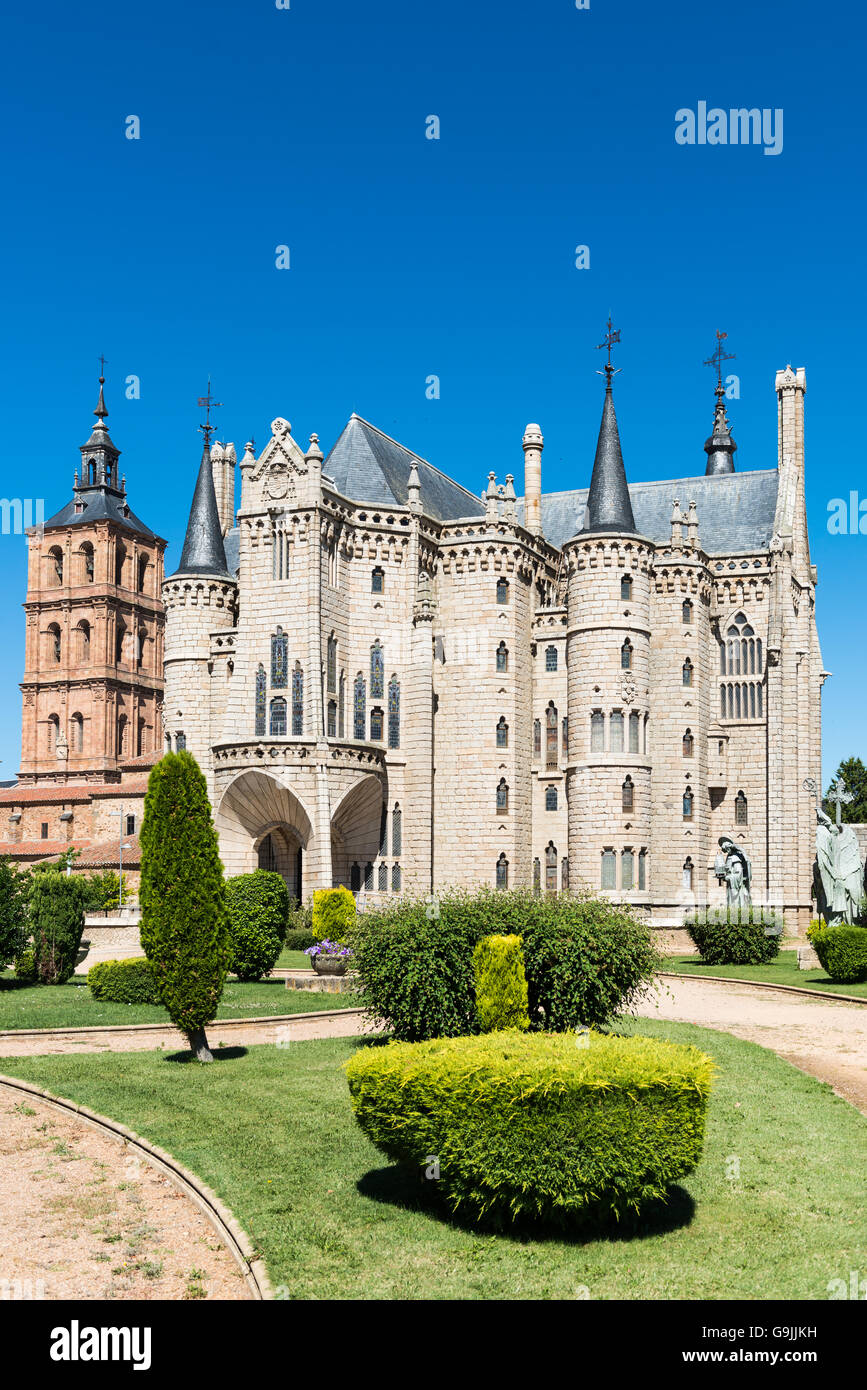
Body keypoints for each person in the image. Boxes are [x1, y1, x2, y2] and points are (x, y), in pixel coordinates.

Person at [814, 808, 864, 925]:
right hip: (836, 878)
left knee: (847, 902)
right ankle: (835, 925)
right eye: (827, 824)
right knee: (835, 908)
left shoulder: (839, 839)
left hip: (841, 876)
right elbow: (824, 862)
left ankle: (850, 923)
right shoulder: (825, 836)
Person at [715, 835, 752, 916]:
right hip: (731, 887)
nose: (726, 851)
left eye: (726, 849)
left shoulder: (735, 857)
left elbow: (738, 874)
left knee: (735, 908)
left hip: (736, 888)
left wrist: (727, 877)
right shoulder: (729, 856)